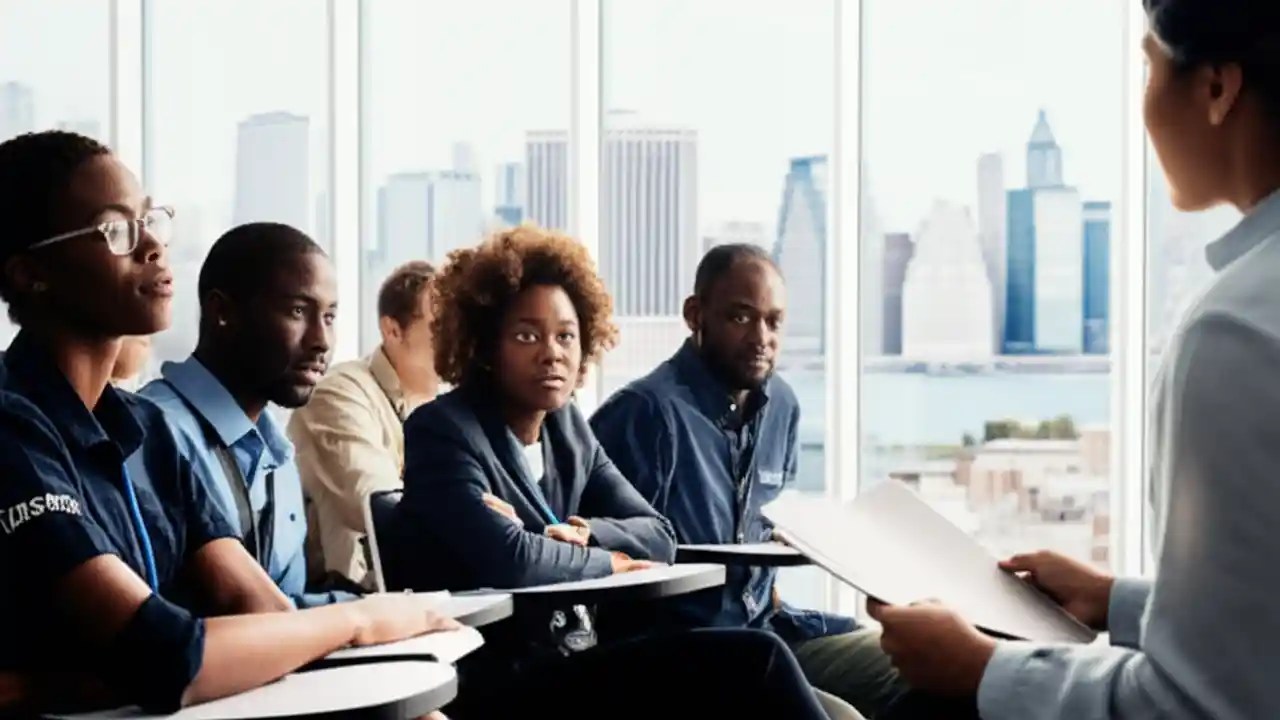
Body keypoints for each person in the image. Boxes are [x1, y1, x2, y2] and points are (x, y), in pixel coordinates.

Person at [865, 2, 1280, 718]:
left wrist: (983, 669)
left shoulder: (1235, 330)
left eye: (1149, 71)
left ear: (1217, 89)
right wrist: (1115, 599)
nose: (1144, 106)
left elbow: (1201, 705)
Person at [0, 130, 456, 715]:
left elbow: (263, 613)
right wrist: (361, 618)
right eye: (115, 230)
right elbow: (164, 654)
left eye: (149, 220)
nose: (153, 247)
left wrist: (61, 682)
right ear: (29, 273)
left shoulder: (146, 429)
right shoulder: (15, 429)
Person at [394, 225, 837, 719]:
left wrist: (587, 533)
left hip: (572, 662)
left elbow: (659, 535)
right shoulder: (443, 430)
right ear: (484, 346)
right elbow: (514, 560)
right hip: (495, 683)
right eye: (527, 336)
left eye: (566, 336)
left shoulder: (566, 430)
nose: (552, 352)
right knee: (758, 661)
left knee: (759, 667)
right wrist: (612, 562)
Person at [591, 243, 904, 717]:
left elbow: (766, 527)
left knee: (922, 668)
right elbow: (597, 563)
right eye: (741, 317)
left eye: (774, 322)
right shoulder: (645, 415)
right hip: (682, 653)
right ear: (696, 315)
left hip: (769, 630)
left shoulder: (783, 406)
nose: (761, 338)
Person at [140, 222, 352, 607]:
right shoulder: (150, 433)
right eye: (298, 311)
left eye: (329, 317)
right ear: (223, 312)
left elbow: (290, 607)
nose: (321, 341)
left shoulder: (279, 456)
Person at [288, 260, 440, 589]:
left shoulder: (449, 406)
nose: (457, 340)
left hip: (424, 595)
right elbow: (378, 507)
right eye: (440, 326)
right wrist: (471, 509)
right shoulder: (337, 392)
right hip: (352, 600)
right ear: (393, 330)